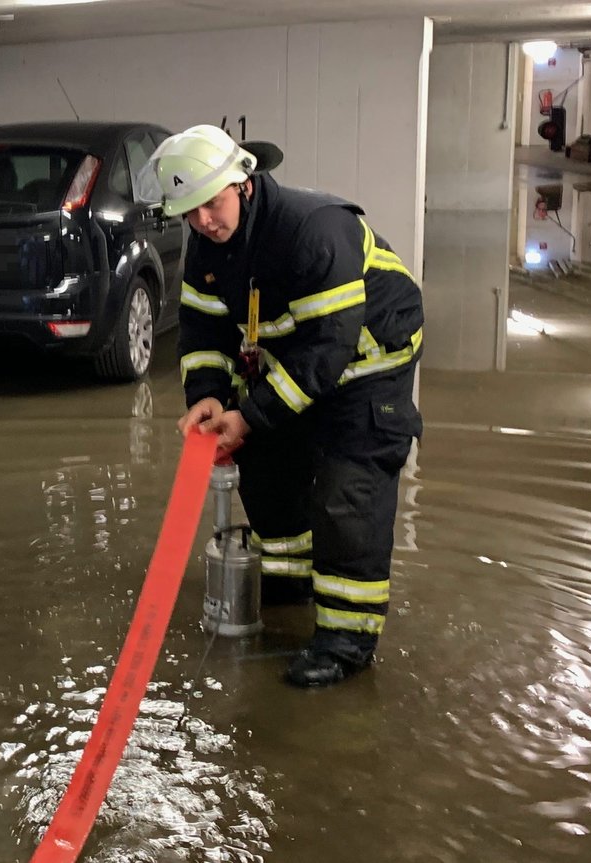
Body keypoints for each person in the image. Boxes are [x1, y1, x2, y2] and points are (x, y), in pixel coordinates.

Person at [141, 125, 424, 687]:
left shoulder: (313, 230)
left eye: (211, 205)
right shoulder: (208, 244)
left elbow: (329, 349)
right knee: (266, 463)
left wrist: (248, 413)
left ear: (243, 183)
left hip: (367, 366)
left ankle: (346, 639)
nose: (202, 222)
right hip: (296, 362)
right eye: (189, 212)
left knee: (348, 491)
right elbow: (201, 330)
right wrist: (208, 399)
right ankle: (291, 582)